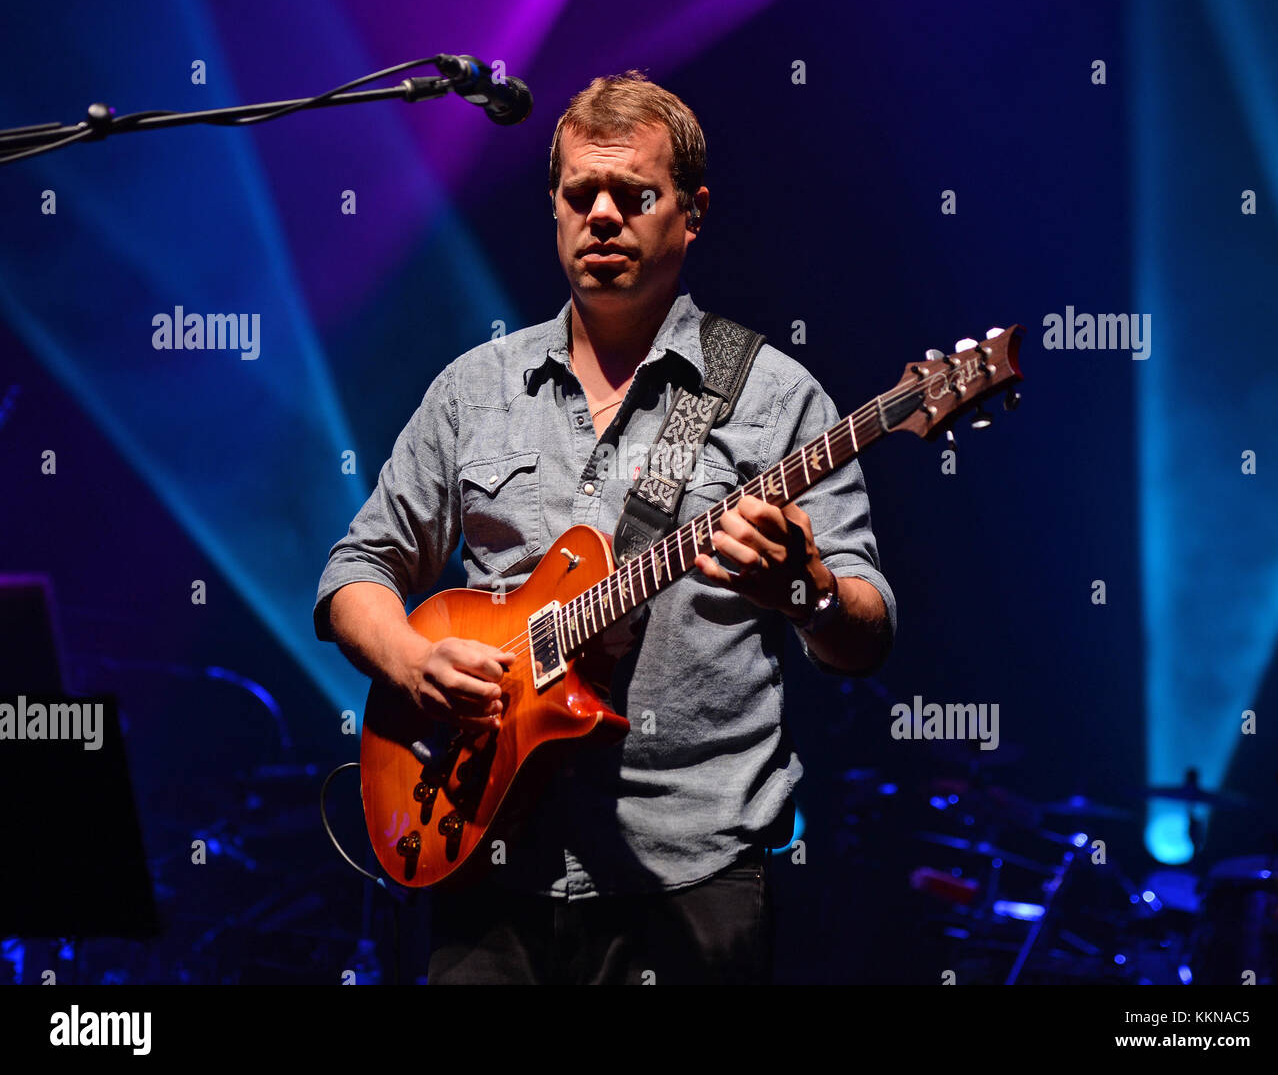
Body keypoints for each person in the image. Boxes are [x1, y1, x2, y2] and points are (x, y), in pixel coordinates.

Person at [314, 70, 896, 984]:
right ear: (554, 208)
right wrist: (408, 658)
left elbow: (867, 631)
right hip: (485, 858)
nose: (604, 217)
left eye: (636, 196)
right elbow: (355, 567)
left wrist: (806, 590)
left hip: (692, 878)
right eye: (581, 195)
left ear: (691, 214)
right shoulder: (476, 390)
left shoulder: (774, 396)